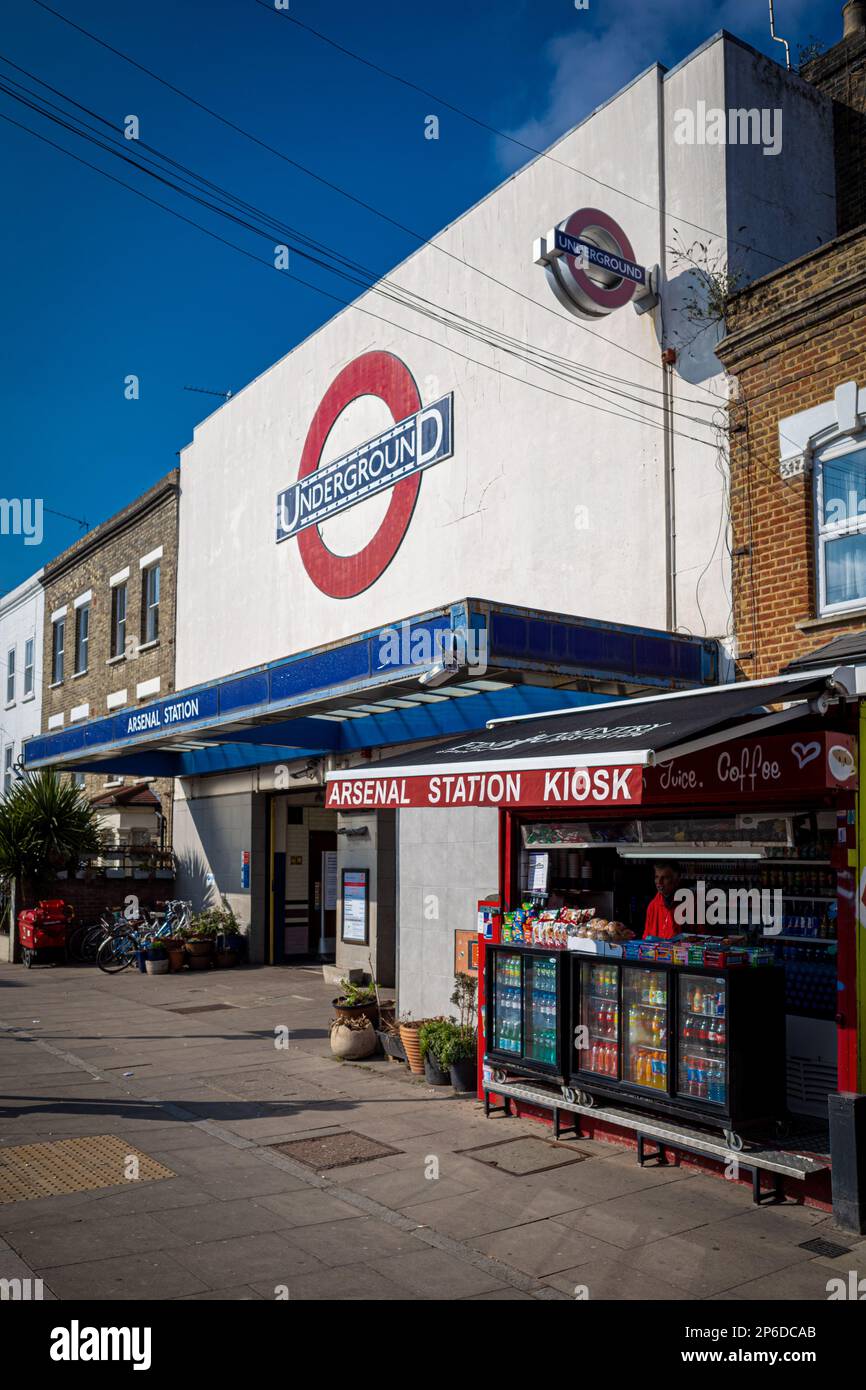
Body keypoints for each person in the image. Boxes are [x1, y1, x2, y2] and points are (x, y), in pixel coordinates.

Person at [643, 861, 682, 939]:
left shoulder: (690, 904)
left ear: (676, 880)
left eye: (665, 878)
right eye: (657, 877)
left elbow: (699, 939)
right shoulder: (653, 906)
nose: (659, 882)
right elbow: (646, 938)